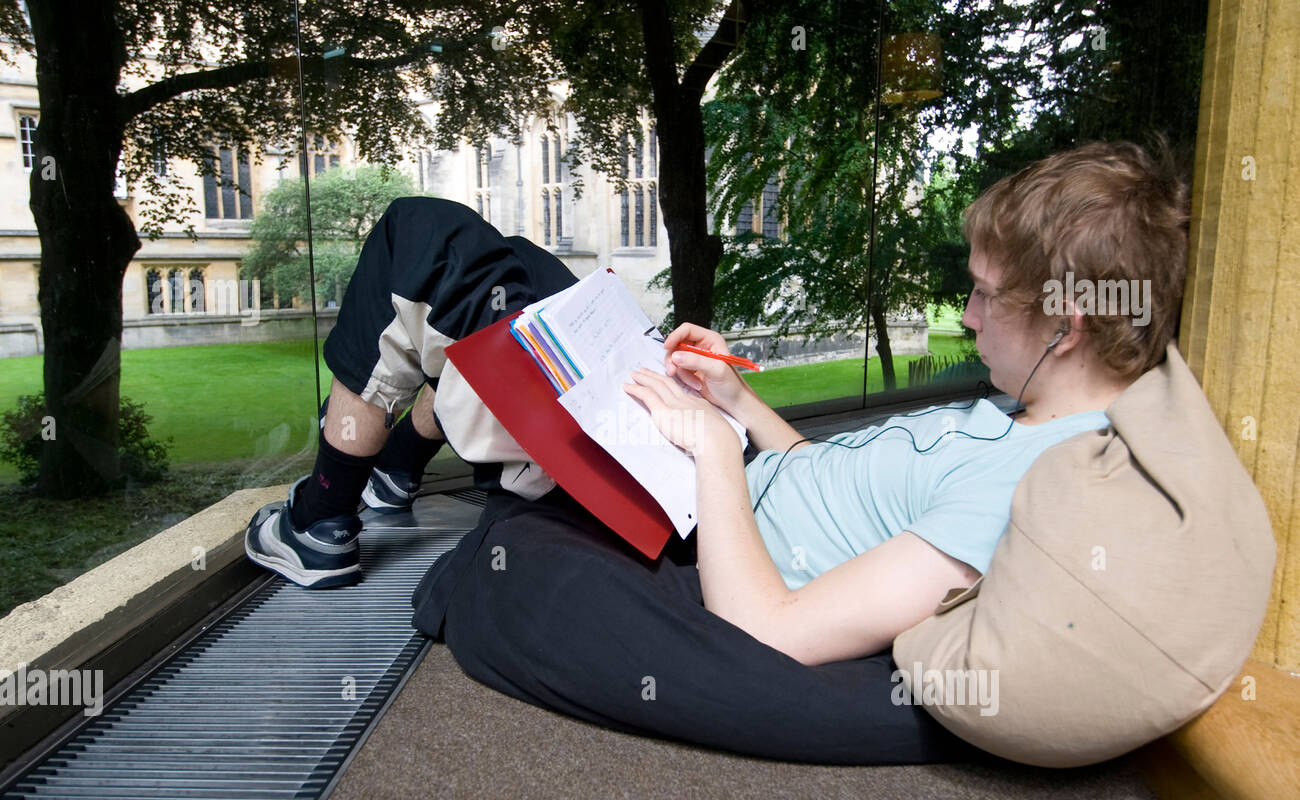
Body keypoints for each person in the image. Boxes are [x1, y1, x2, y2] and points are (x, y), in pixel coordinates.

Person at [247, 139, 1188, 765]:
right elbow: (826, 485)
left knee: (426, 246)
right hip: (709, 467)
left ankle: (326, 519)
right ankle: (392, 475)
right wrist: (739, 403)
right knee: (522, 270)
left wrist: (709, 452)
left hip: (680, 511)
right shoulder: (1032, 412)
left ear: (1066, 326)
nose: (968, 313)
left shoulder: (1024, 484)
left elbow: (769, 635)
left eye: (984, 296)